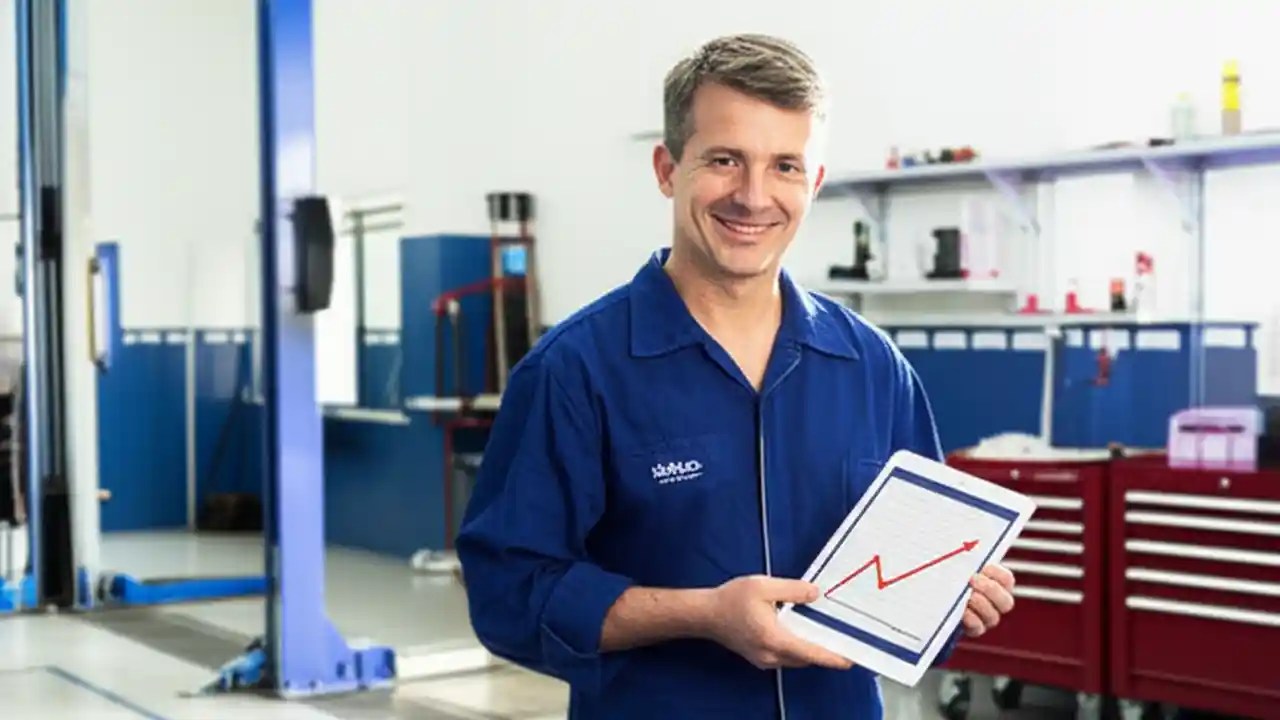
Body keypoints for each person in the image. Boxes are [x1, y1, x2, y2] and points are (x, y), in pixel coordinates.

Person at [456, 33, 1017, 719]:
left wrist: (955, 599)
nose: (753, 197)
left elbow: (913, 586)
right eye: (725, 160)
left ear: (812, 182)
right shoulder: (574, 371)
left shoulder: (873, 368)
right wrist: (702, 614)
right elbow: (508, 593)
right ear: (668, 168)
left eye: (785, 166)